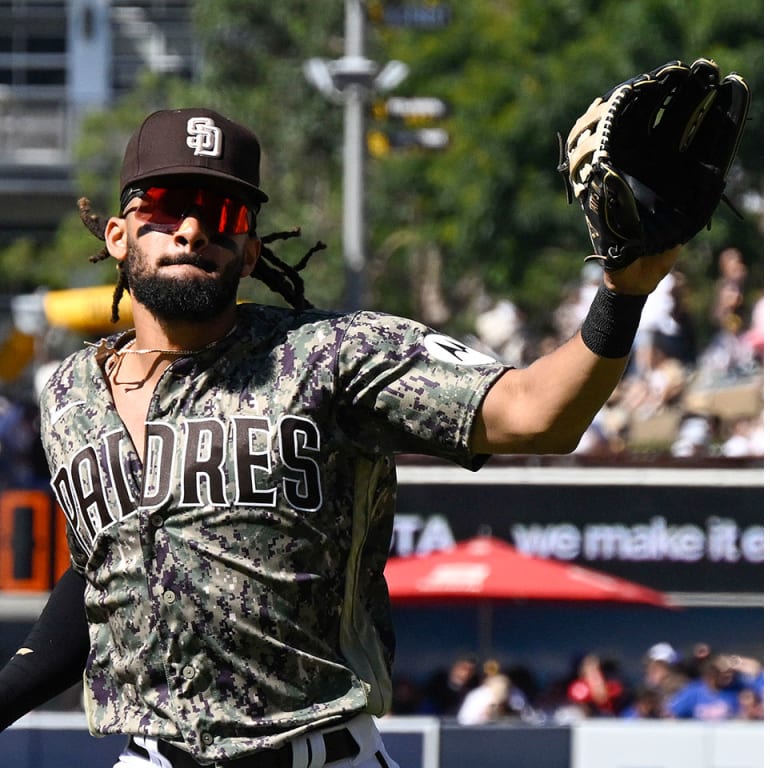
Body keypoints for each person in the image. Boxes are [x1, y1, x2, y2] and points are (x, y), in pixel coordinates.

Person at [0, 102, 699, 767]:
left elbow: (535, 414)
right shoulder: (69, 393)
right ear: (118, 234)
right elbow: (106, 566)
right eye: (163, 207)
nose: (190, 230)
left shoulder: (331, 355)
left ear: (248, 249)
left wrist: (621, 293)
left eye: (220, 212)